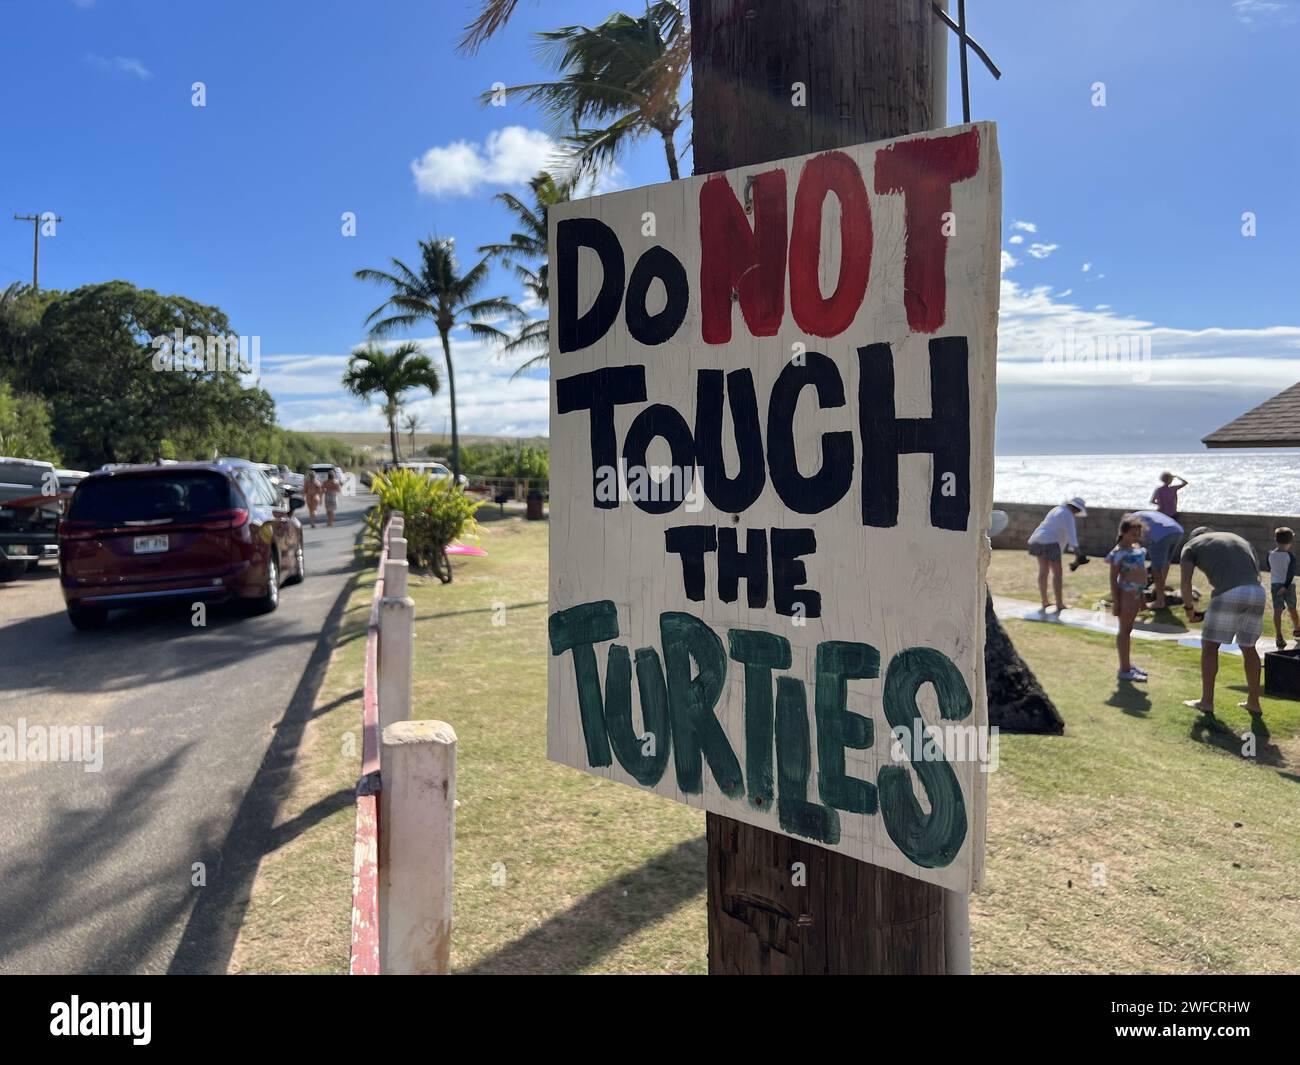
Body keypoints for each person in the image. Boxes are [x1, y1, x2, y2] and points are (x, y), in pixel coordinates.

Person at [1179, 526, 1265, 717]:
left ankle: (1206, 701)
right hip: (1257, 592)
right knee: (1249, 647)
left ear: (1195, 537)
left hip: (1228, 593)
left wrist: (1189, 609)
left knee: (1210, 646)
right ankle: (1254, 702)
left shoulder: (1191, 545)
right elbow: (1252, 574)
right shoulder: (1238, 540)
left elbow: (1185, 583)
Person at [1026, 497, 1087, 613]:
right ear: (1075, 508)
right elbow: (1072, 535)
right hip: (1051, 542)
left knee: (1043, 571)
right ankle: (1059, 603)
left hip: (1037, 539)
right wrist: (1078, 553)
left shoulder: (1056, 509)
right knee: (1057, 573)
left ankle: (1045, 601)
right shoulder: (1068, 515)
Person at [1107, 515, 1149, 682]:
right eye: (1133, 534)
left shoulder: (1136, 548)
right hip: (1126, 595)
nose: (1136, 537)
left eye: (1138, 534)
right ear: (1123, 533)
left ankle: (1127, 664)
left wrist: (1143, 598)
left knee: (1128, 630)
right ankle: (1124, 668)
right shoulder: (1118, 553)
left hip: (1136, 594)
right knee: (1124, 631)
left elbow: (1141, 574)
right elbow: (1113, 579)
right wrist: (1116, 602)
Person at [1132, 508, 1183, 609]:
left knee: (1156, 568)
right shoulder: (1143, 514)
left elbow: (1133, 539)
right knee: (1165, 562)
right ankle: (1159, 590)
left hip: (1160, 534)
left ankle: (1160, 601)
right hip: (1177, 530)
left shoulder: (1131, 521)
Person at [1268, 526, 1298, 651]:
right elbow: (1291, 573)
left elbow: (1272, 568)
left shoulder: (1271, 555)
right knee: (1292, 609)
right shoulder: (1290, 556)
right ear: (1290, 542)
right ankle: (1297, 629)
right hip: (1289, 586)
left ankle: (1279, 636)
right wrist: (1285, 587)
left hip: (1275, 585)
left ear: (1276, 540)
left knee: (1277, 611)